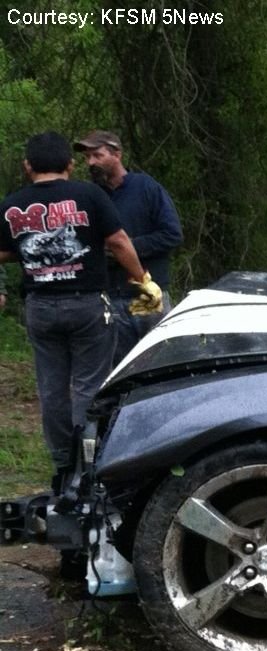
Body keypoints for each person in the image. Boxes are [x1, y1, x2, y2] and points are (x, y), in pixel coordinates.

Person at [0, 131, 162, 489]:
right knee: (89, 386)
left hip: (40, 307)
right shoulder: (88, 195)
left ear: (28, 166)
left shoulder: (11, 206)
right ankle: (87, 464)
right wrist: (143, 279)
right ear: (70, 165)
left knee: (52, 388)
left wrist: (27, 252)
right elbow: (118, 241)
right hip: (87, 304)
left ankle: (61, 466)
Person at [74, 130, 182, 361]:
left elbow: (172, 234)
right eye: (87, 158)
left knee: (159, 361)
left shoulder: (146, 188)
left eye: (97, 155)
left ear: (117, 154)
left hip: (148, 294)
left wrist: (129, 248)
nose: (91, 162)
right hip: (107, 298)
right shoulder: (90, 196)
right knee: (116, 368)